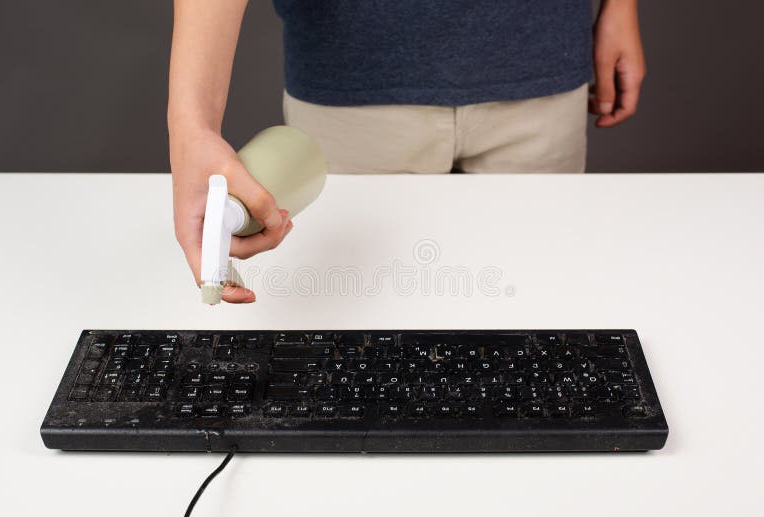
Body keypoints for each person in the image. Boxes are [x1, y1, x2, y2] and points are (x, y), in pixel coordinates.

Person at [168, 0, 645, 303]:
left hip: (542, 74)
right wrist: (192, 127)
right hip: (349, 87)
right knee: (351, 342)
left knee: (542, 315)